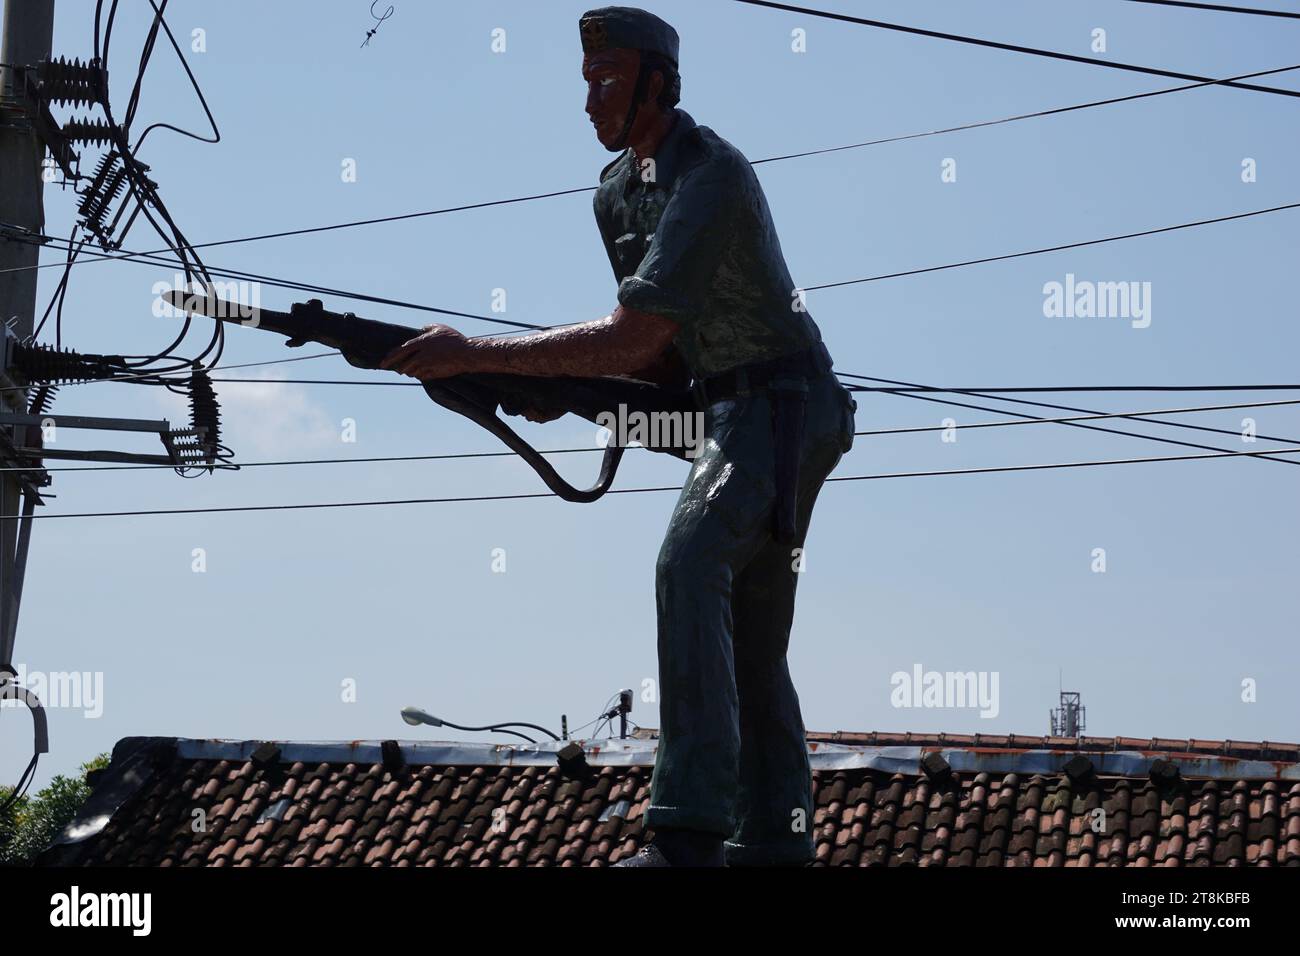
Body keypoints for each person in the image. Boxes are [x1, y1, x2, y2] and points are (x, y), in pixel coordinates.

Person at [382, 6, 856, 867]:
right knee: (750, 631)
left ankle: (687, 830)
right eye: (587, 83)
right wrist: (554, 391)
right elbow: (662, 360)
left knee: (690, 564)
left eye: (609, 81)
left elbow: (633, 333)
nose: (592, 100)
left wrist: (479, 354)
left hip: (785, 404)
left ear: (659, 85)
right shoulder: (617, 195)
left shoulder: (711, 174)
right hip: (724, 407)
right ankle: (777, 840)